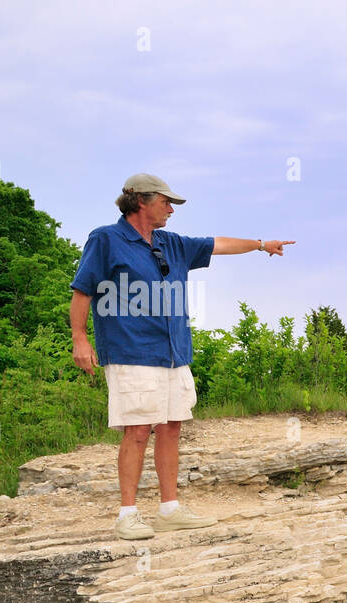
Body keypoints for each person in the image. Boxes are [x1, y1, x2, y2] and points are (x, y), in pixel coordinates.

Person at [69, 173, 294, 539]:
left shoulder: (170, 244)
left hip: (174, 353)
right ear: (141, 200)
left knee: (172, 426)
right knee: (138, 429)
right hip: (131, 351)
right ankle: (127, 515)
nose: (172, 209)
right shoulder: (106, 239)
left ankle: (169, 509)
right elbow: (82, 292)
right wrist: (81, 339)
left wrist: (260, 244)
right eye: (166, 202)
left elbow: (217, 244)